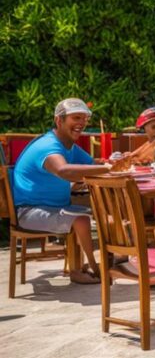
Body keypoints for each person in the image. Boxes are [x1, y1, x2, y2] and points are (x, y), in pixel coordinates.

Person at [11, 98, 113, 284]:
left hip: (57, 207)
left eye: (84, 119)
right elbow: (63, 170)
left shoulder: (69, 146)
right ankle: (92, 270)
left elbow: (92, 164)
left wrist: (114, 162)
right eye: (76, 118)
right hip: (29, 212)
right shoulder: (48, 146)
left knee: (104, 214)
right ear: (59, 120)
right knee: (80, 219)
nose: (82, 123)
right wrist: (107, 168)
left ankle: (112, 260)